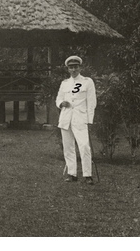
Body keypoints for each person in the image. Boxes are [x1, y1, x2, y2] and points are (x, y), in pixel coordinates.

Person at [56, 55, 97, 185]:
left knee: (84, 146)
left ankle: (87, 175)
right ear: (68, 69)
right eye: (71, 67)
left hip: (80, 118)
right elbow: (58, 99)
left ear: (80, 68)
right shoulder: (65, 83)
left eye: (76, 67)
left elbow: (91, 102)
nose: (73, 70)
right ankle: (72, 173)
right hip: (66, 118)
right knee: (68, 147)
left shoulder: (87, 82)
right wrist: (62, 103)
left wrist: (89, 120)